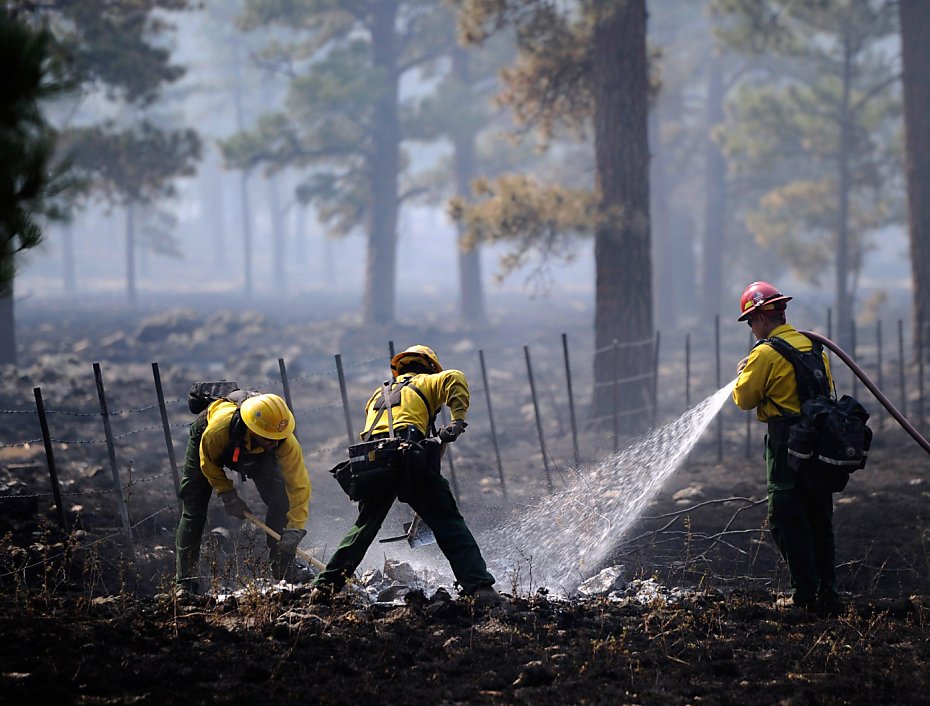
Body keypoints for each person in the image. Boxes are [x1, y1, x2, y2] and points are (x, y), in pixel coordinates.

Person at [311, 344, 501, 606]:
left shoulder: (378, 394)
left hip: (371, 459)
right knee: (447, 521)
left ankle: (324, 587)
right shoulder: (426, 381)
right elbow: (454, 377)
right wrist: (457, 421)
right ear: (430, 367)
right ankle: (480, 588)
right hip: (406, 453)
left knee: (363, 527)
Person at [732, 281, 841, 616]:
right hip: (819, 443)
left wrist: (744, 373)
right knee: (819, 518)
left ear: (762, 318)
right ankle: (828, 595)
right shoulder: (813, 347)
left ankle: (804, 597)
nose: (752, 329)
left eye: (751, 322)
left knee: (785, 517)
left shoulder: (765, 353)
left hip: (786, 445)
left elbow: (744, 398)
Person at [175, 392, 311, 595]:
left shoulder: (282, 439)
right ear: (253, 429)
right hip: (215, 445)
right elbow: (208, 463)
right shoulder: (218, 430)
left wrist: (295, 529)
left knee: (282, 499)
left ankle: (284, 567)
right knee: (194, 508)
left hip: (256, 451)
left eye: (279, 438)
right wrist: (228, 494)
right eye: (270, 439)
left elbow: (299, 486)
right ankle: (185, 583)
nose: (276, 443)